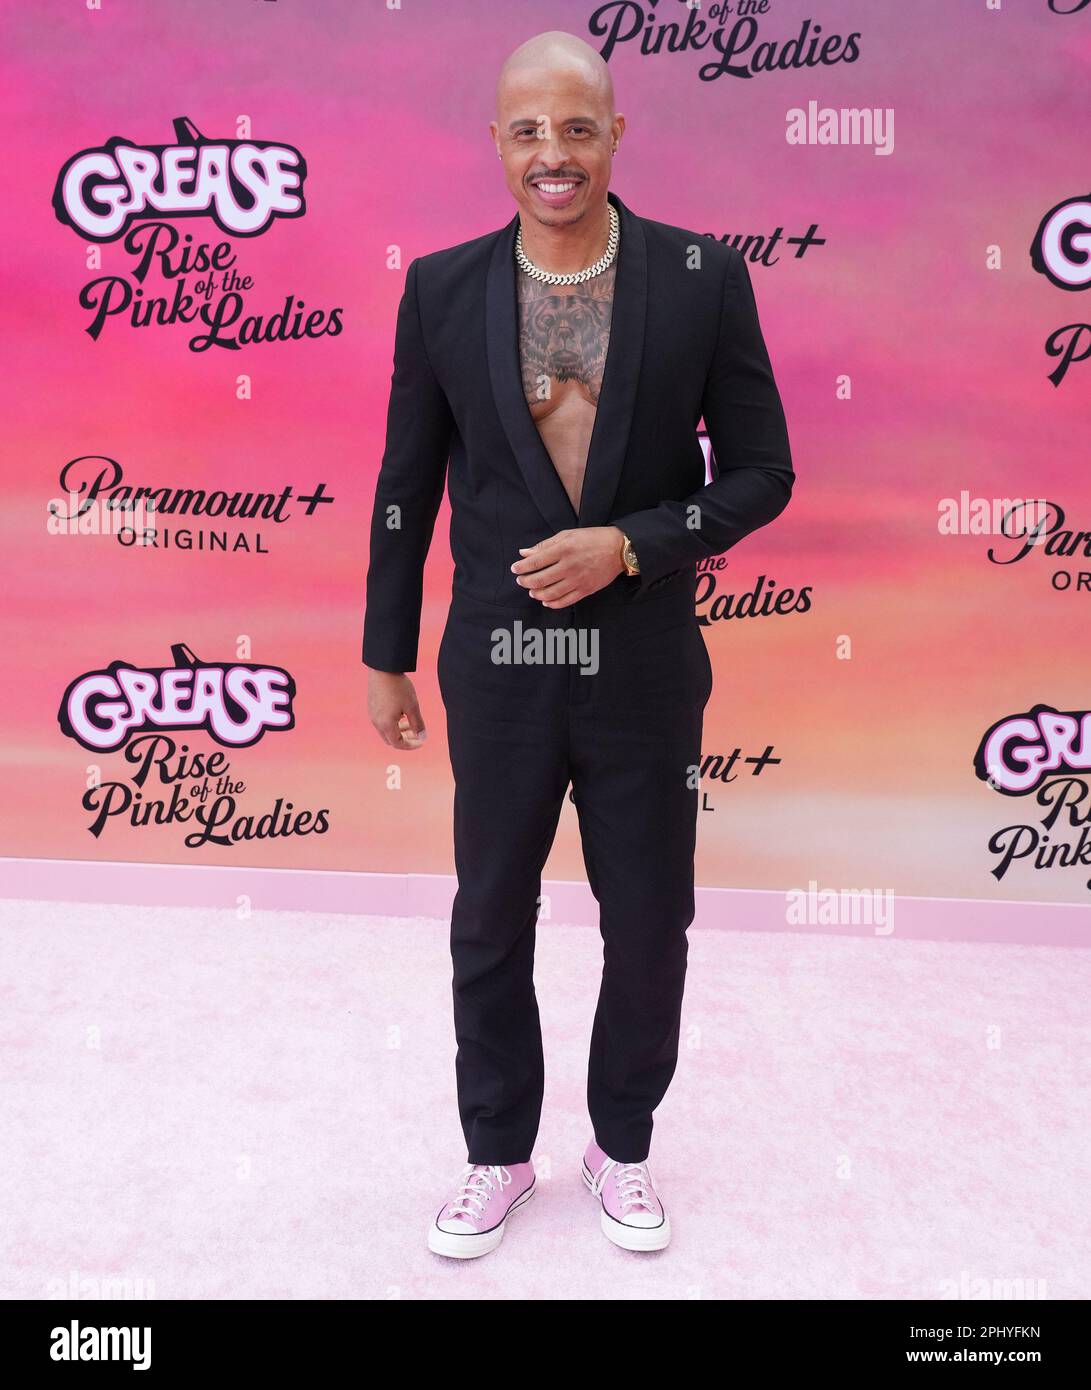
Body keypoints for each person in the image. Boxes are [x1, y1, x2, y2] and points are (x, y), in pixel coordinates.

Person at [362, 30, 794, 1258]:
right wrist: (384, 648)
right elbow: (405, 482)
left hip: (641, 660)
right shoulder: (441, 286)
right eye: (526, 130)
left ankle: (620, 1145)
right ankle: (497, 1152)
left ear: (614, 132)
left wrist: (635, 543)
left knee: (649, 913)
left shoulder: (702, 275)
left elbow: (762, 473)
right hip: (496, 663)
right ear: (497, 142)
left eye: (575, 127)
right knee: (489, 911)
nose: (551, 154)